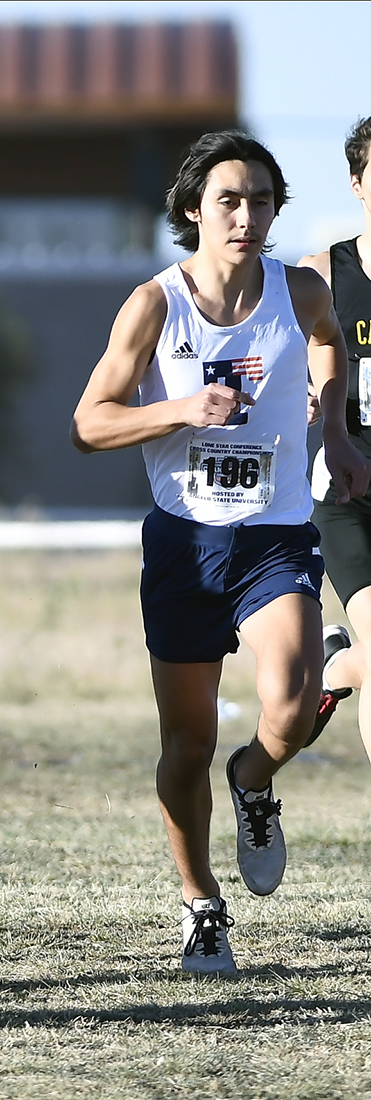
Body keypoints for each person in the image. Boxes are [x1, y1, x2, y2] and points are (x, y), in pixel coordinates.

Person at [71, 131, 368, 976]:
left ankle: (255, 779)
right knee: (183, 745)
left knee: (292, 701)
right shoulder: (155, 305)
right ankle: (203, 903)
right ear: (194, 210)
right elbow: (89, 423)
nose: (245, 215)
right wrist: (177, 412)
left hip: (274, 534)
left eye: (261, 201)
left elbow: (327, 342)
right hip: (185, 542)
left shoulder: (300, 288)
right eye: (229, 200)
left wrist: (335, 430)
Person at [296, 117, 371, 759]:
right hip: (347, 494)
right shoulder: (324, 275)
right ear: (357, 184)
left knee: (370, 663)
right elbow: (271, 356)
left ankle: (334, 667)